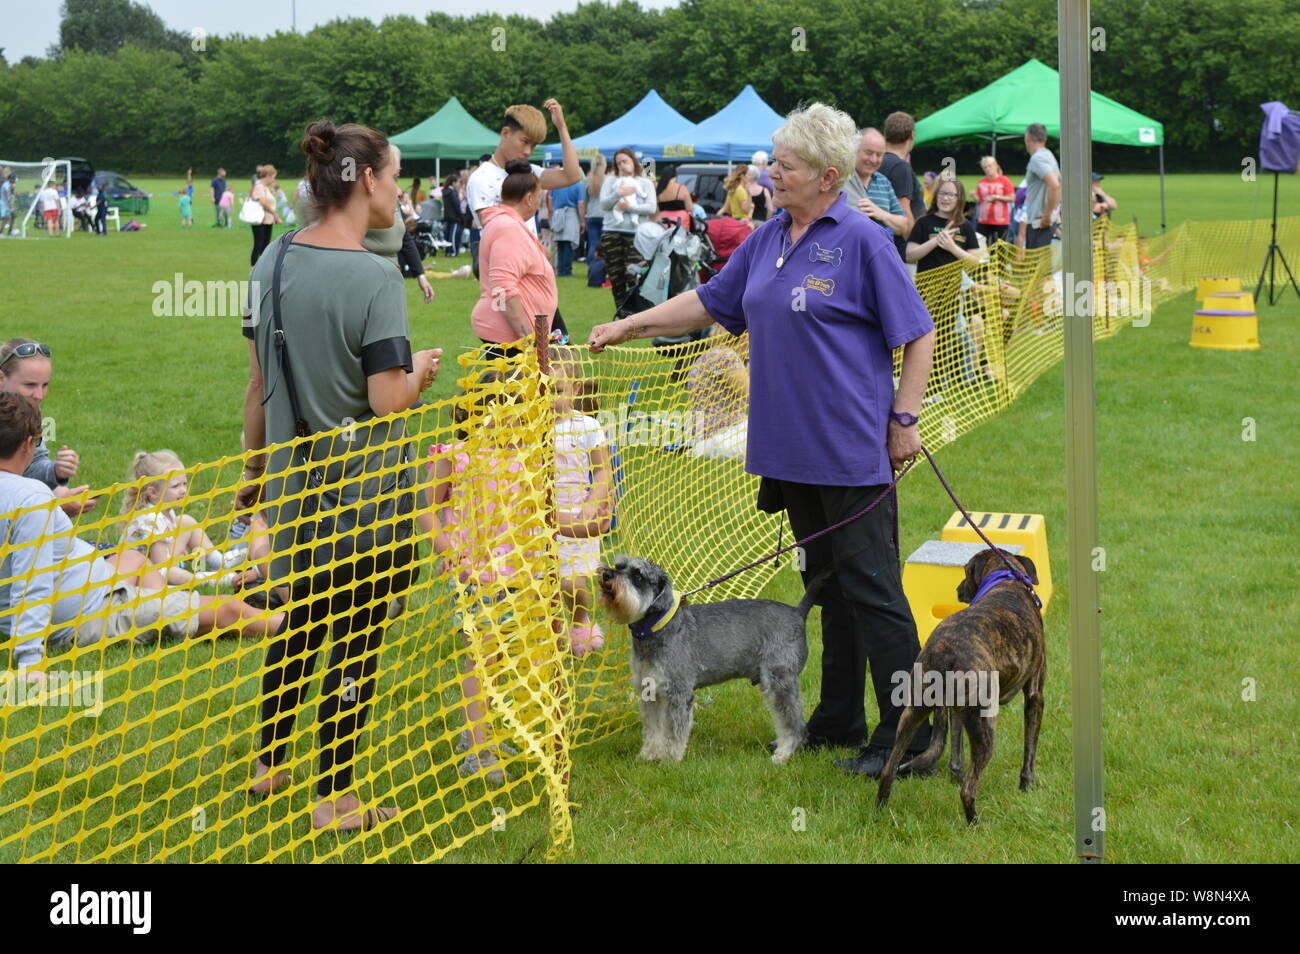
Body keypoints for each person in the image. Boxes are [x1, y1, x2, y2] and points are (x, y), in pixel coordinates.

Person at [589, 102, 937, 778]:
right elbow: (713, 300)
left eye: (788, 164)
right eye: (775, 161)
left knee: (875, 595)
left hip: (851, 454)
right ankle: (838, 721)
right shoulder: (771, 236)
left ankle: (912, 740)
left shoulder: (862, 240)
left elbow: (917, 332)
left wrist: (905, 418)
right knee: (827, 589)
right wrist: (630, 326)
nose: (773, 172)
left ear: (829, 176)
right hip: (790, 454)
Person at [240, 119, 443, 832]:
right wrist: (419, 371)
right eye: (392, 177)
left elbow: (257, 378)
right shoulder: (372, 275)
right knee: (355, 644)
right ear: (364, 180)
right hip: (371, 504)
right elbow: (387, 399)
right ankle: (336, 797)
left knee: (301, 626)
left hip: (298, 499)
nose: (399, 193)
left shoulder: (271, 264)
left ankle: (269, 765)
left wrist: (253, 475)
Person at [0, 394, 285, 679]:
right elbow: (30, 583)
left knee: (134, 558)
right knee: (230, 608)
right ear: (27, 444)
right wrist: (30, 664)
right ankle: (310, 625)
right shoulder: (30, 498)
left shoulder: (24, 494)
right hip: (85, 613)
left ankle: (176, 611)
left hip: (85, 586)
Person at [550, 348, 613, 655]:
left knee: (571, 582)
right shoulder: (528, 426)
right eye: (542, 390)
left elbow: (603, 470)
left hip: (575, 517)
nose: (549, 398)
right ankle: (548, 633)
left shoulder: (586, 426)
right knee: (539, 579)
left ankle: (580, 620)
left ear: (575, 389)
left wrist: (592, 502)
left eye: (557, 390)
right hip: (535, 517)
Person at [0, 338, 97, 518]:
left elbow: (31, 466)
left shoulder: (26, 413)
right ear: (1, 378)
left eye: (45, 385)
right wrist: (54, 507)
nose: (39, 395)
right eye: (29, 385)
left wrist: (55, 471)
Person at [121, 450, 247, 584]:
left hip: (156, 560)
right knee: (171, 571)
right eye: (176, 486)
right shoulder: (151, 520)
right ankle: (206, 580)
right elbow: (162, 571)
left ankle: (219, 561)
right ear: (153, 492)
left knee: (186, 522)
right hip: (142, 577)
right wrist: (191, 577)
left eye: (184, 483)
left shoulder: (165, 509)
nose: (183, 490)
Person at [472, 160, 558, 352]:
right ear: (529, 198)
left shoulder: (507, 224)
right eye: (539, 197)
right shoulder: (507, 227)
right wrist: (526, 337)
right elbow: (502, 288)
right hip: (510, 337)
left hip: (513, 335)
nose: (538, 204)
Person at [597, 147, 657, 316]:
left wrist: (630, 207)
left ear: (633, 161)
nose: (622, 165)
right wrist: (618, 194)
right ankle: (622, 312)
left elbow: (651, 207)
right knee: (616, 277)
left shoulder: (645, 181)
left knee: (632, 274)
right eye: (618, 163)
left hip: (636, 234)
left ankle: (637, 312)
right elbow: (604, 205)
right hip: (611, 232)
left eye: (625, 161)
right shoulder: (610, 180)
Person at [842, 127, 908, 237]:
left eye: (879, 155)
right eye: (869, 153)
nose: (873, 159)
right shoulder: (841, 178)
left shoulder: (883, 182)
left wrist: (881, 214)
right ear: (854, 149)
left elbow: (903, 226)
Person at [906, 177, 981, 273]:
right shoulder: (923, 222)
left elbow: (975, 263)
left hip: (955, 287)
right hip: (926, 287)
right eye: (942, 193)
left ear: (959, 198)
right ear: (936, 196)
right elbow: (909, 256)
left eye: (951, 194)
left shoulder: (966, 225)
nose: (945, 198)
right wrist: (936, 240)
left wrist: (952, 247)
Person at [879, 111, 926, 259]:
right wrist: (914, 246)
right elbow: (903, 210)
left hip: (882, 242)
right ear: (912, 135)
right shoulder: (900, 166)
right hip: (899, 248)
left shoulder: (876, 162)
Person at [1022, 123, 1061, 249]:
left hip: (1039, 223)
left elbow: (1054, 185)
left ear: (1028, 138)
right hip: (1046, 222)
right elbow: (1059, 183)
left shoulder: (1037, 158)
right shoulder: (1049, 155)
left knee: (1036, 267)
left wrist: (1048, 214)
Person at [549, 175, 584, 277]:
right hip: (571, 214)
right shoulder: (578, 184)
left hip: (558, 213)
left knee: (560, 244)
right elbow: (581, 204)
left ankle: (560, 270)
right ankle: (567, 270)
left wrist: (552, 216)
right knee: (569, 243)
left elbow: (550, 200)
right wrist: (582, 221)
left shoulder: (556, 184)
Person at [975, 155, 1015, 245]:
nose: (987, 169)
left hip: (1000, 221)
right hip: (984, 220)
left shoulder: (1004, 180)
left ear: (996, 166)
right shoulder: (981, 182)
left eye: (990, 166)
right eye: (985, 167)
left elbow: (1012, 198)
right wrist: (975, 196)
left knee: (999, 247)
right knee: (983, 246)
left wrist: (997, 197)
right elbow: (979, 200)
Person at [248, 164, 281, 266]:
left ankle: (262, 268)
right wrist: (275, 214)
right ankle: (253, 269)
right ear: (269, 176)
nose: (273, 180)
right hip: (260, 220)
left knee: (265, 246)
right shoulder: (259, 187)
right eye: (273, 177)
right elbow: (264, 203)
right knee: (258, 245)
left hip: (267, 220)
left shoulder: (265, 187)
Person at [584, 153, 607, 263]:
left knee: (593, 243)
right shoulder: (607, 180)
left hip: (592, 215)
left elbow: (585, 200)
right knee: (603, 244)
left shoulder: (589, 181)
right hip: (605, 215)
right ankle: (601, 266)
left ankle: (592, 266)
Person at [655, 163, 693, 229]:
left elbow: (656, 209)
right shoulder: (681, 188)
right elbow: (689, 208)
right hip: (680, 220)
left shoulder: (658, 188)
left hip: (663, 221)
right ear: (675, 177)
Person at [441, 172, 464, 255]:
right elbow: (456, 206)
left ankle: (448, 251)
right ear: (453, 182)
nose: (458, 184)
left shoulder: (445, 192)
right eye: (458, 182)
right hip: (454, 217)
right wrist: (461, 217)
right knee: (453, 235)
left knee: (448, 234)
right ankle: (453, 251)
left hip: (447, 216)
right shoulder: (453, 193)